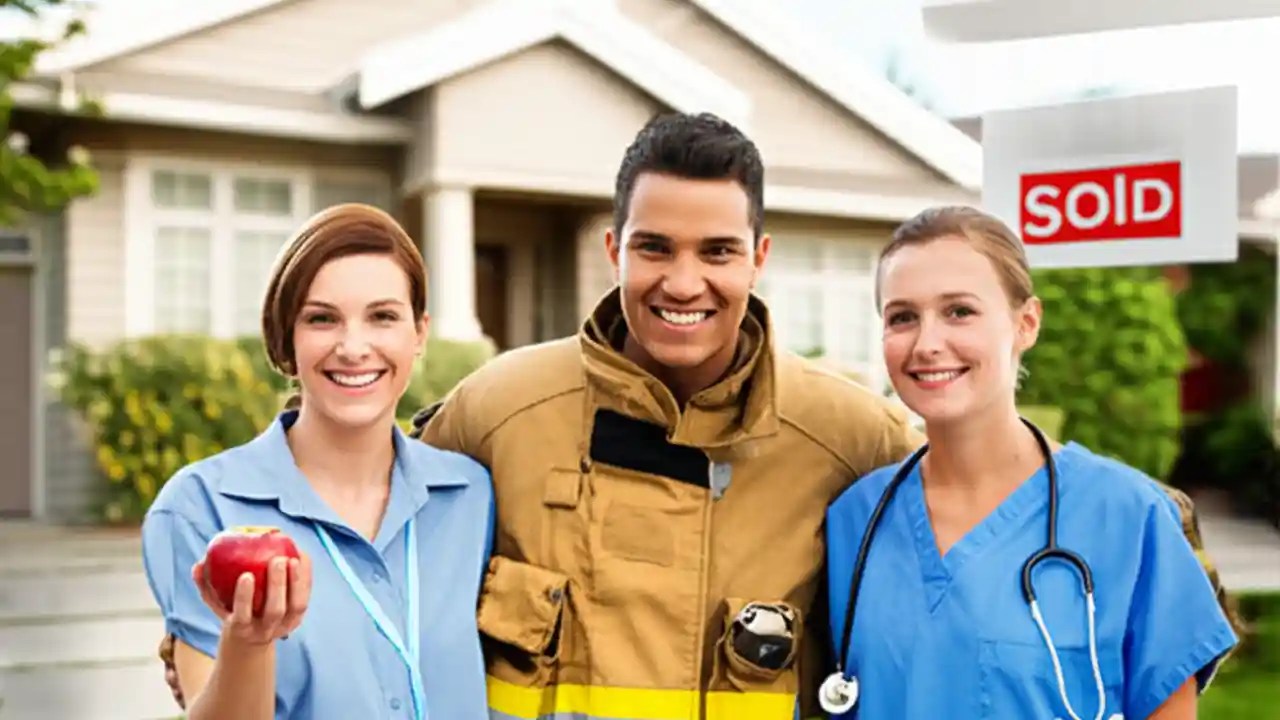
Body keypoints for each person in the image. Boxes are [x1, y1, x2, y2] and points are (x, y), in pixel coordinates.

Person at [154, 113, 1235, 719]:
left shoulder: (846, 437)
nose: (685, 280)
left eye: (717, 250)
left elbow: (985, 488)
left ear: (757, 257)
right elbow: (362, 508)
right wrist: (216, 634)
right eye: (653, 247)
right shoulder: (494, 413)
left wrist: (1157, 538)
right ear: (610, 249)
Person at [821, 206, 1239, 720]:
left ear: (1026, 323)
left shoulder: (1130, 518)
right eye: (902, 317)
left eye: (959, 311)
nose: (927, 344)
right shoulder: (854, 521)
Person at [140, 203, 493, 720]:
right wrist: (249, 644)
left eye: (383, 317)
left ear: (418, 333)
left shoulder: (473, 496)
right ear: (288, 336)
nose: (353, 347)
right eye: (322, 319)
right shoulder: (200, 508)